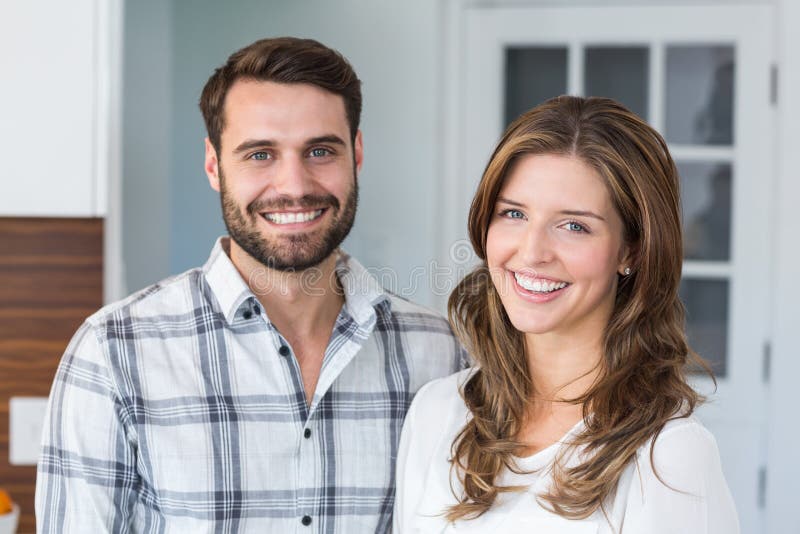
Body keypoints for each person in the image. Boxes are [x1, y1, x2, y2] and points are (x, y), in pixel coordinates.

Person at [36, 37, 465, 533]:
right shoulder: (113, 354)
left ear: (357, 155)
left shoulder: (442, 355)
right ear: (214, 165)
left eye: (320, 150)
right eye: (260, 154)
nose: (294, 185)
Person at [393, 96, 738, 533]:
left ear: (630, 249)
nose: (532, 252)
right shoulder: (438, 412)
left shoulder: (669, 457)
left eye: (574, 225)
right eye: (513, 213)